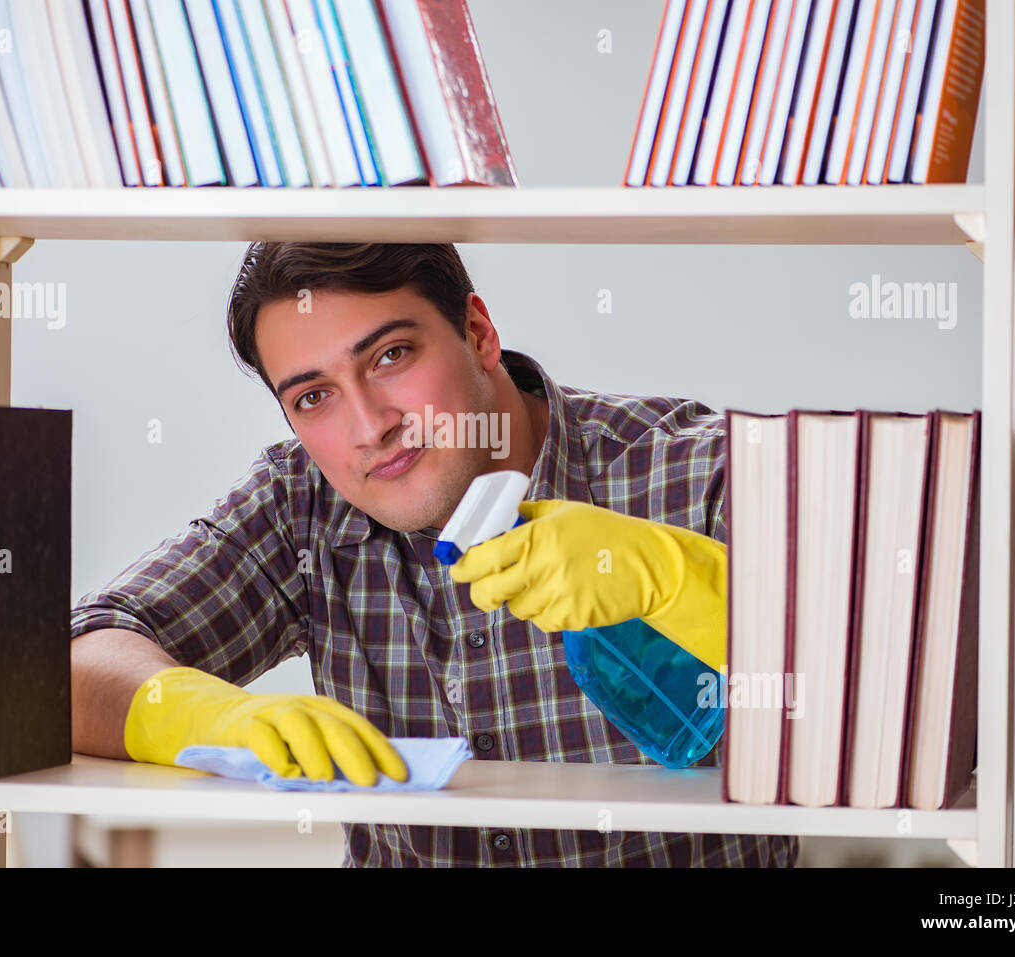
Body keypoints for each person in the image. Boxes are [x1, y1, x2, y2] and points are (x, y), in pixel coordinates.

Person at [70, 242, 799, 867]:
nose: (370, 426)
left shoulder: (698, 470)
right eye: (314, 396)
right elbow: (68, 661)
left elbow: (899, 682)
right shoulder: (302, 507)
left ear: (478, 332)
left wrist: (691, 584)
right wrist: (202, 717)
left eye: (391, 356)